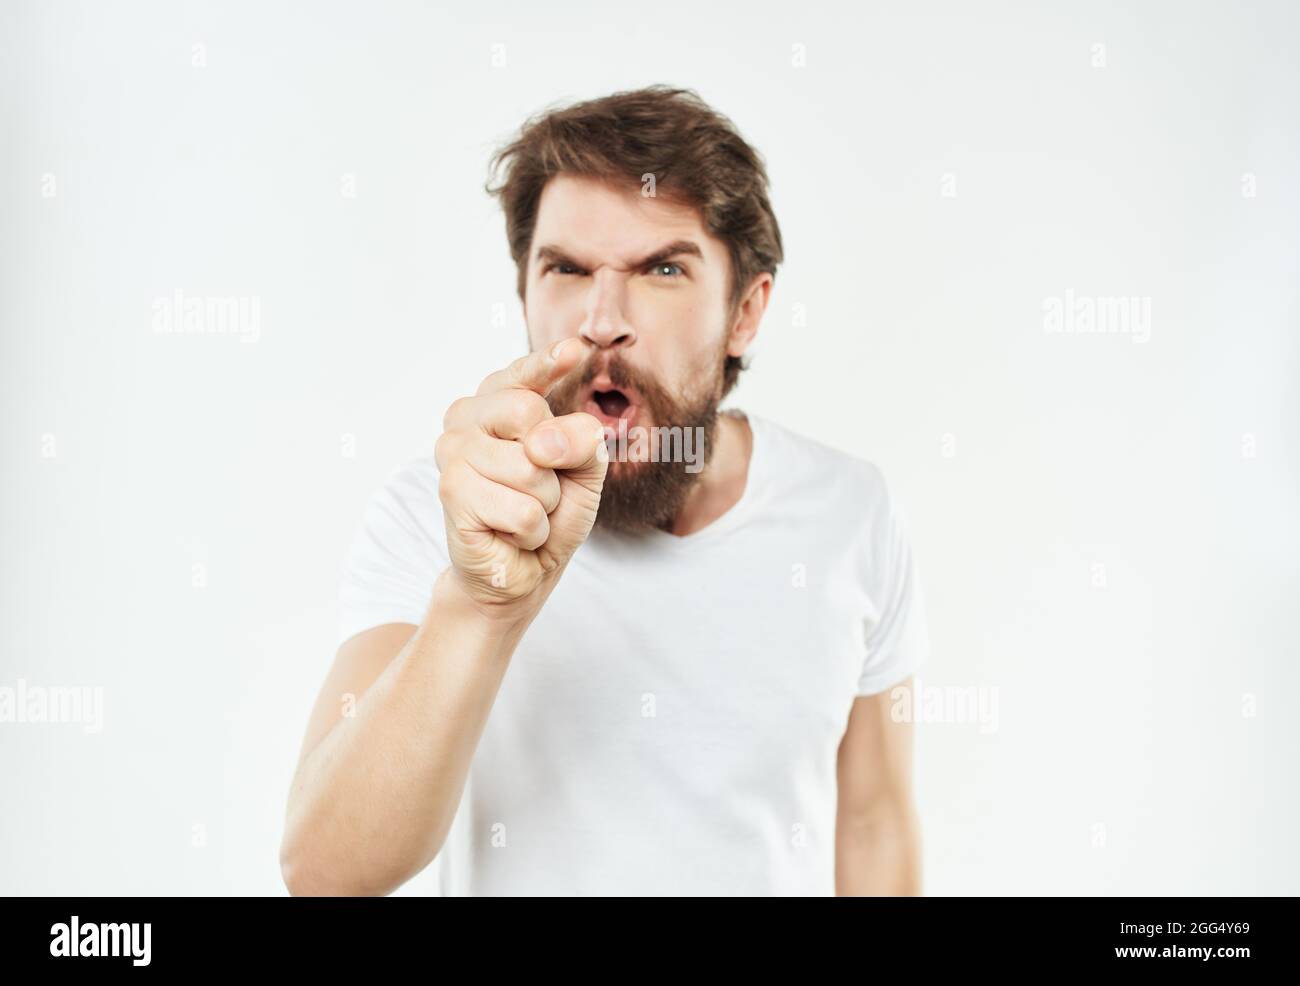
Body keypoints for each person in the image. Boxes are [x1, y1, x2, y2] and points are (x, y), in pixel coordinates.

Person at [280, 85, 930, 896]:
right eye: (566, 268)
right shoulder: (434, 514)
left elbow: (872, 825)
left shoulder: (850, 511)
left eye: (662, 269)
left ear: (746, 313)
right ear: (525, 295)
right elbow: (326, 869)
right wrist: (479, 609)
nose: (601, 320)